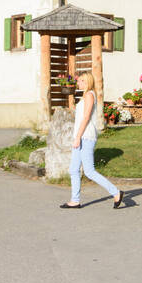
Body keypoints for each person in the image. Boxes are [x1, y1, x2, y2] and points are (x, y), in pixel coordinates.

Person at [60, 73, 124, 209]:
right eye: (79, 81)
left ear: (87, 82)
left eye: (81, 81)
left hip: (85, 137)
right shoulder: (85, 96)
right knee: (73, 169)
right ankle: (75, 200)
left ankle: (116, 192)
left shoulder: (89, 95)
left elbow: (86, 117)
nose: (78, 83)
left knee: (89, 171)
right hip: (80, 137)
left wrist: (78, 137)